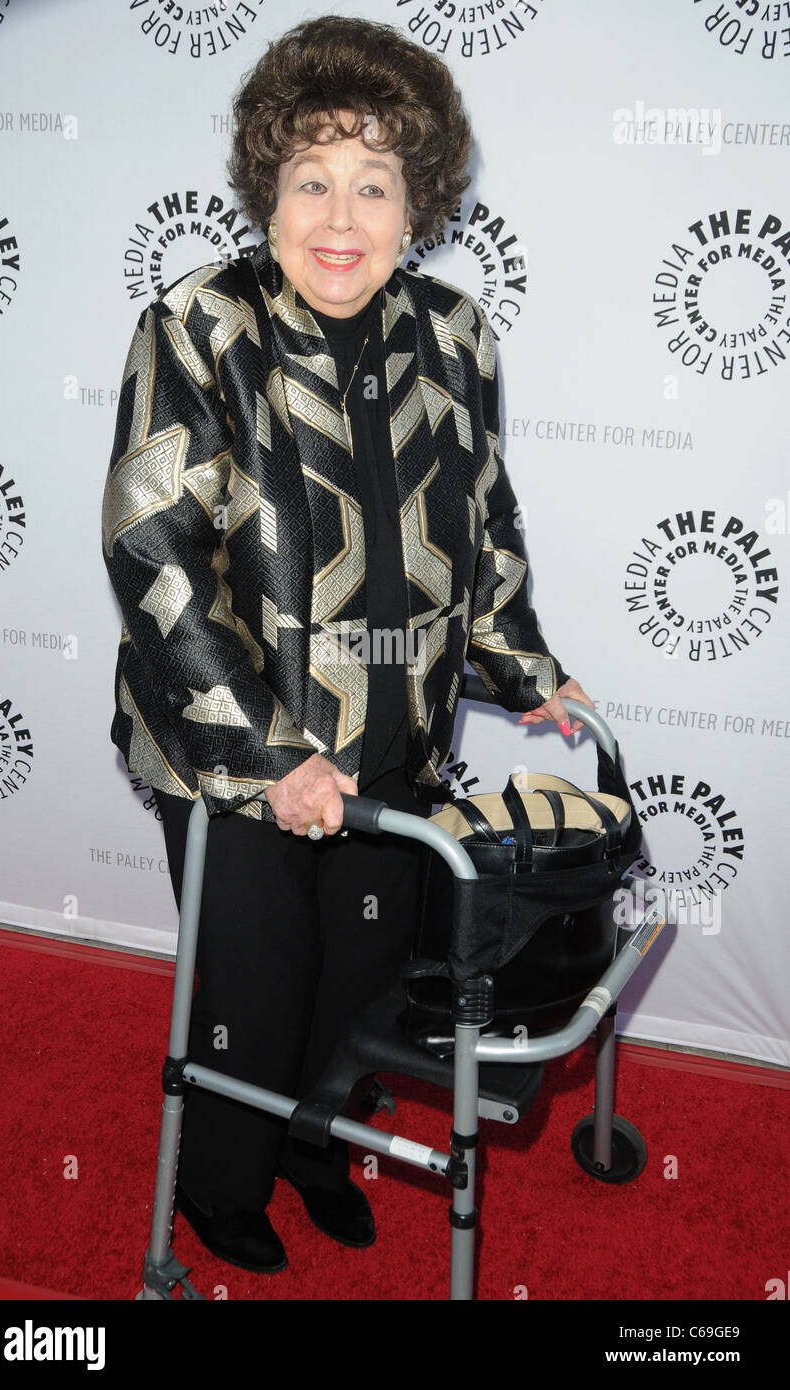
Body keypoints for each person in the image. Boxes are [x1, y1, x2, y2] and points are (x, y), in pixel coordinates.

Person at [101, 13, 593, 1275]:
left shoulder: (457, 333)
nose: (339, 213)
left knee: (363, 978)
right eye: (310, 176)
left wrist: (527, 672)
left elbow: (480, 526)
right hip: (238, 754)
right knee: (255, 993)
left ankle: (317, 1147)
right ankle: (220, 1187)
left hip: (393, 740)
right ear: (267, 184)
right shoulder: (199, 325)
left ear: (415, 202)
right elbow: (151, 551)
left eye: (373, 181)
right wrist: (269, 755)